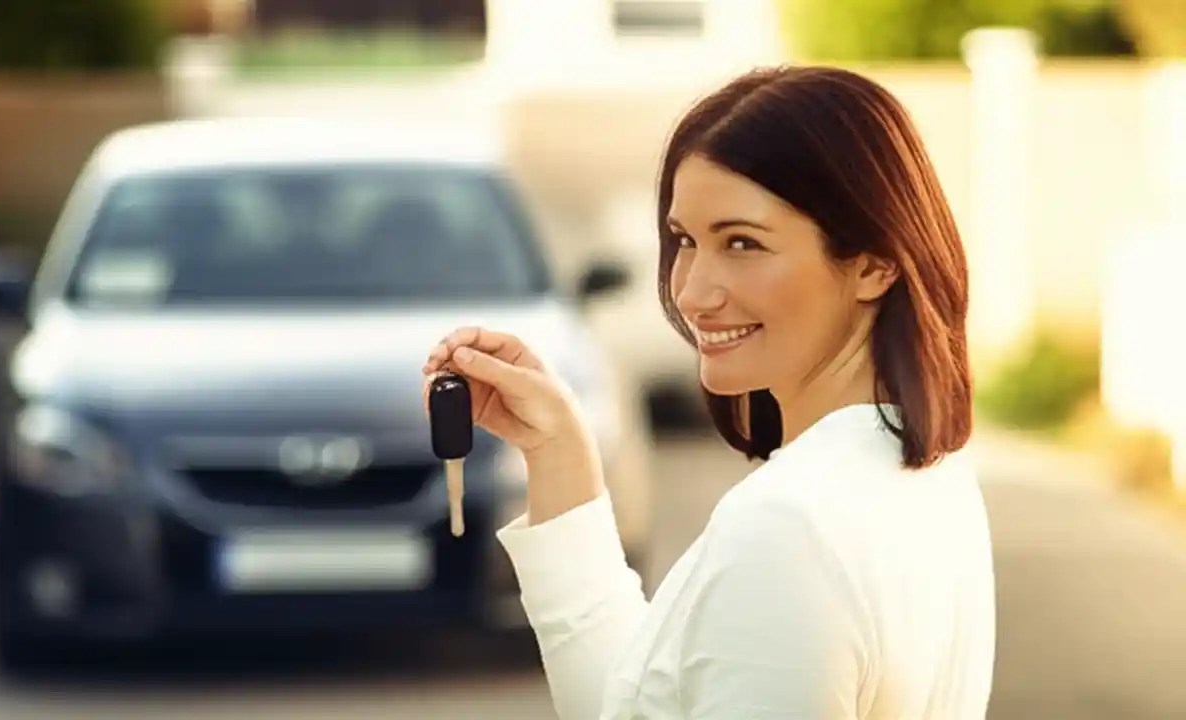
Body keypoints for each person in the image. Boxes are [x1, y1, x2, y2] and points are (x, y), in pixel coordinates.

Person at [421, 65, 995, 719]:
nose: (692, 292)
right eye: (686, 241)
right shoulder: (927, 475)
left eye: (743, 243)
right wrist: (558, 450)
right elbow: (633, 702)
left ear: (873, 263)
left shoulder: (787, 528)